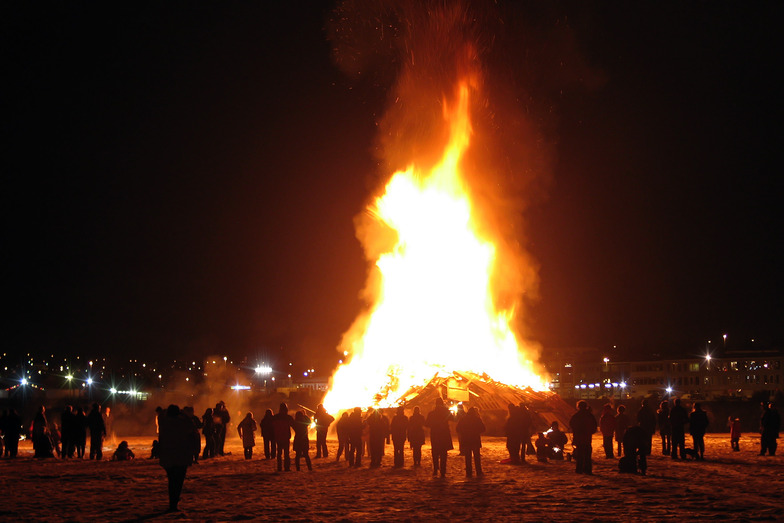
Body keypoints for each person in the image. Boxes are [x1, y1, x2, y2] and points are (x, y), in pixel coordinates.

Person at [158, 405, 194, 512]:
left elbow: (161, 414)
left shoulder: (164, 422)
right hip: (181, 456)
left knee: (171, 481)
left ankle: (172, 503)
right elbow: (191, 426)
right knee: (178, 482)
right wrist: (183, 413)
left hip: (168, 456)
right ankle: (174, 502)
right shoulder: (182, 423)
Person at [425, 398, 454, 477]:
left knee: (435, 452)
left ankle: (435, 469)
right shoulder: (446, 412)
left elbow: (427, 424)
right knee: (443, 453)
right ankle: (443, 471)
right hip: (444, 435)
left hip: (435, 435)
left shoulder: (431, 413)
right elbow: (453, 419)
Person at [569, 400, 597, 474]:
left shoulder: (576, 416)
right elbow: (594, 426)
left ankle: (579, 469)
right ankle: (588, 470)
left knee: (580, 455)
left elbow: (571, 425)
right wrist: (590, 432)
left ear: (578, 407)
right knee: (587, 455)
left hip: (579, 438)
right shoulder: (590, 416)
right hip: (587, 438)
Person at [456, 406, 485, 477]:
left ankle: (469, 472)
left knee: (468, 457)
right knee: (477, 457)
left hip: (466, 440)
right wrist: (476, 431)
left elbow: (457, 429)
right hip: (475, 440)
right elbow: (483, 429)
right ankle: (478, 471)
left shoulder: (463, 419)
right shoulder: (477, 419)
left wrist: (463, 433)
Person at [273, 402, 294, 471]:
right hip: (285, 436)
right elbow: (294, 425)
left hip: (278, 437)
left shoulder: (275, 417)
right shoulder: (288, 417)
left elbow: (271, 426)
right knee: (286, 453)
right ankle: (287, 467)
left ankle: (279, 467)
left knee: (279, 453)